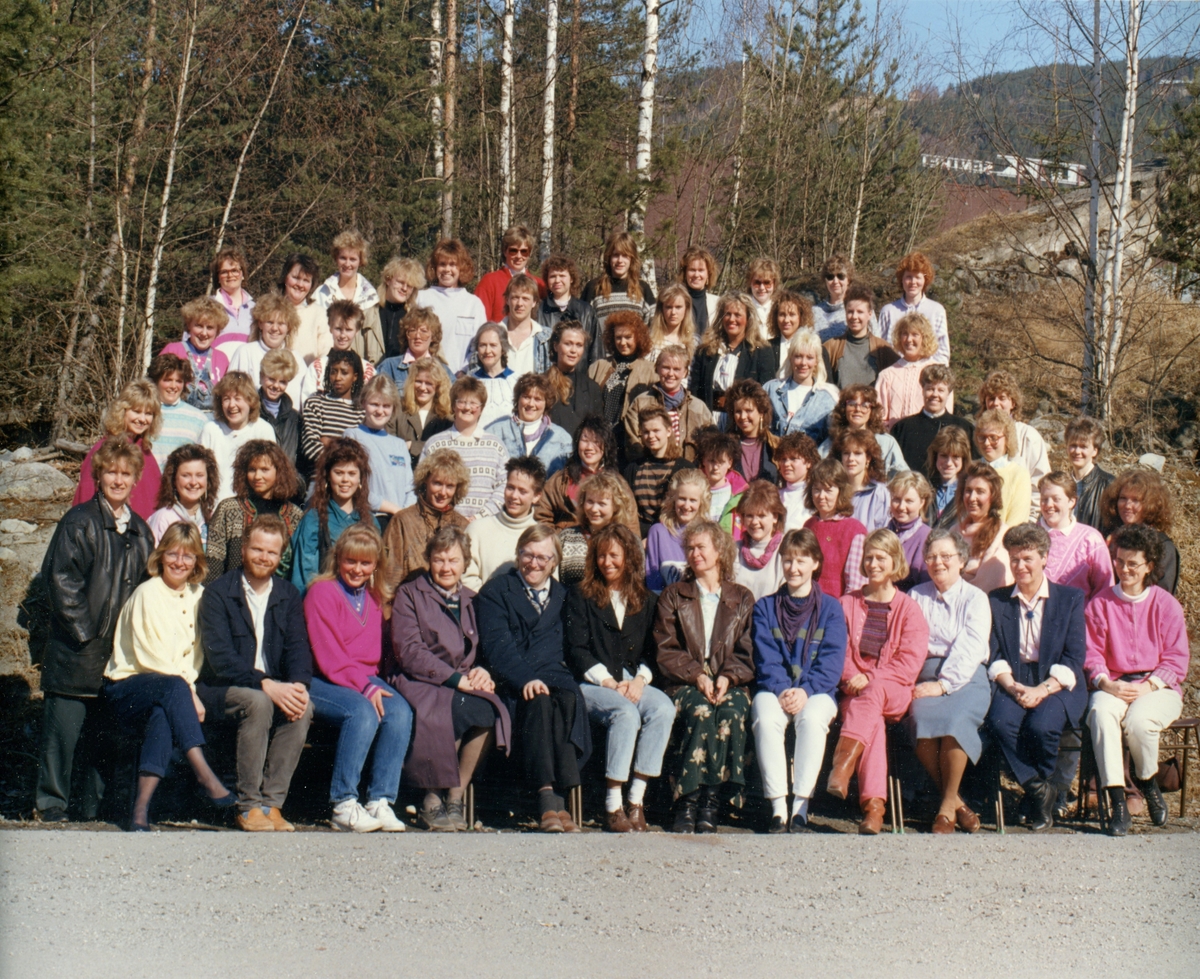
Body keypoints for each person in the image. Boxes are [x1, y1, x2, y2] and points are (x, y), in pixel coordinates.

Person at [35, 436, 155, 823]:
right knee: (63, 737)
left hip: (117, 657)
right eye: (111, 472)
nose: (118, 480)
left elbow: (143, 592)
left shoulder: (140, 531)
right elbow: (61, 581)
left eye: (126, 473)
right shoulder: (79, 522)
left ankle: (91, 812)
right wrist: (87, 635)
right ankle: (51, 807)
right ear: (98, 475)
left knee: (101, 741)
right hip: (77, 651)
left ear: (136, 478)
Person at [102, 523, 236, 830]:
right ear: (161, 556)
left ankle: (139, 812)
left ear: (197, 563)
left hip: (168, 693)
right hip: (127, 687)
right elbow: (155, 660)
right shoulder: (148, 593)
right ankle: (205, 775)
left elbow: (195, 657)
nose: (179, 562)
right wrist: (190, 696)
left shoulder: (199, 595)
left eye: (188, 556)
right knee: (172, 690)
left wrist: (185, 692)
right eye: (173, 553)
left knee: (163, 716)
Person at [197, 514, 314, 832]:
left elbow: (299, 649)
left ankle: (271, 805)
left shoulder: (287, 595)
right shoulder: (218, 592)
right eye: (258, 549)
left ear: (280, 555)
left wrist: (299, 685)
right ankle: (247, 806)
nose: (264, 557)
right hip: (222, 688)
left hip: (267, 685)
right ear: (245, 548)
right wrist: (266, 684)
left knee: (303, 707)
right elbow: (221, 659)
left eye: (272, 552)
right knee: (259, 702)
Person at [389, 526, 509, 831]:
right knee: (447, 711)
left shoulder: (472, 598)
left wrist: (483, 669)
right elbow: (410, 651)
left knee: (487, 710)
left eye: (453, 561)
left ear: (465, 563)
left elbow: (485, 647)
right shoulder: (410, 594)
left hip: (462, 681)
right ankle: (430, 798)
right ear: (429, 559)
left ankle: (455, 797)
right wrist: (455, 679)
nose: (446, 567)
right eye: (439, 560)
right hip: (421, 680)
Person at [477, 525, 591, 833]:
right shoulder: (496, 592)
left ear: (554, 562)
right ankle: (546, 799)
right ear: (517, 555)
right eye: (528, 554)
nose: (534, 563)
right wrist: (525, 677)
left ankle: (562, 798)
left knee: (567, 699)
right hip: (514, 680)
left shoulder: (564, 596)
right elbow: (498, 647)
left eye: (543, 557)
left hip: (556, 677)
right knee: (539, 701)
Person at [304, 524, 413, 832]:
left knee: (399, 712)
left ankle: (380, 800)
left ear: (375, 565)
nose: (357, 569)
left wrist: (374, 683)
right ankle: (343, 803)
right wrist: (366, 688)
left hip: (362, 678)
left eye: (365, 563)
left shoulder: (375, 597)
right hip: (323, 678)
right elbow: (329, 656)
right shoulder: (321, 592)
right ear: (338, 559)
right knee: (362, 712)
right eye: (350, 560)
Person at [566, 525, 674, 833]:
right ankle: (612, 804)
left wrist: (639, 681)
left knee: (663, 708)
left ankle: (635, 801)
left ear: (628, 557)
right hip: (593, 684)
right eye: (601, 555)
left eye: (614, 555)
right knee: (625, 714)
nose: (607, 562)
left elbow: (653, 652)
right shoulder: (581, 595)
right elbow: (577, 650)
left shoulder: (646, 599)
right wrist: (610, 684)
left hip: (632, 680)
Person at [1085, 523, 1190, 835]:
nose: (1124, 569)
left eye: (1133, 564)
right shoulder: (1100, 603)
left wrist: (1148, 686)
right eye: (1119, 561)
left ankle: (1147, 782)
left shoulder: (1165, 604)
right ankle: (1117, 800)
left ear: (1149, 567)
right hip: (1114, 683)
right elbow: (1091, 654)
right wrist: (1106, 683)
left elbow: (1176, 657)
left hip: (1156, 685)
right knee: (1100, 713)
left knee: (1140, 723)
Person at [654, 519, 756, 833]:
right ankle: (687, 800)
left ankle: (711, 802)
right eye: (690, 548)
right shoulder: (674, 595)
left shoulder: (741, 598)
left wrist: (727, 677)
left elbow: (747, 649)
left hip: (729, 681)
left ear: (719, 551)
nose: (694, 553)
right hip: (685, 681)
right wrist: (698, 675)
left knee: (730, 711)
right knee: (699, 712)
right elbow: (666, 648)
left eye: (701, 547)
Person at [826, 529, 929, 835]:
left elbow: (908, 663)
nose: (872, 563)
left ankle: (842, 769)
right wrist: (851, 678)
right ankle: (874, 809)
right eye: (868, 557)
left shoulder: (909, 608)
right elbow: (837, 650)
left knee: (874, 692)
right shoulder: (847, 603)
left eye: (880, 557)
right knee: (872, 725)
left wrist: (869, 677)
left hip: (894, 689)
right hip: (854, 693)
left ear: (895, 561)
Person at [985, 523, 1087, 832]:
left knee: (1042, 726)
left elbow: (1074, 658)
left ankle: (1037, 795)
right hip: (1014, 678)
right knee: (1001, 723)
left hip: (1058, 680)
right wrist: (1011, 685)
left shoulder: (1069, 598)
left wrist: (1041, 690)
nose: (1020, 566)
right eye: (1014, 559)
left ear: (1044, 558)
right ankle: (1040, 790)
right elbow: (994, 653)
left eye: (1027, 558)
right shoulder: (998, 599)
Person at [750, 527, 847, 832]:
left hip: (816, 689)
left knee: (813, 718)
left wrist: (805, 691)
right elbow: (765, 659)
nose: (793, 568)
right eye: (788, 561)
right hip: (775, 687)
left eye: (801, 560)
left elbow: (831, 663)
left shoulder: (831, 608)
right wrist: (782, 690)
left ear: (815, 563)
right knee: (765, 717)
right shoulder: (764, 607)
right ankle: (778, 807)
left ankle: (800, 808)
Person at [906, 529, 992, 834]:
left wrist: (944, 685)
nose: (937, 562)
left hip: (967, 676)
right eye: (931, 556)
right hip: (925, 674)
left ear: (961, 561)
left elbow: (970, 646)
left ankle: (945, 808)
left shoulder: (976, 598)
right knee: (920, 719)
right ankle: (957, 802)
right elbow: (910, 642)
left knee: (955, 721)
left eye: (946, 556)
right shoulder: (916, 596)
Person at [204, 440, 304, 583]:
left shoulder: (295, 515)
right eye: (252, 469)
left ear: (278, 471)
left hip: (281, 599)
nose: (257, 476)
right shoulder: (228, 509)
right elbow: (214, 561)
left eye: (264, 469)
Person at [291, 438, 378, 595]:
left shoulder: (371, 522)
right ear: (328, 477)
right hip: (324, 601)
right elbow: (304, 578)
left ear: (360, 479)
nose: (345, 480)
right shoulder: (313, 519)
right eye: (339, 473)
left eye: (352, 473)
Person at [380, 447, 471, 592]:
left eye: (450, 486)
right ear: (425, 481)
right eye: (437, 483)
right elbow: (388, 578)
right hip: (410, 606)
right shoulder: (402, 521)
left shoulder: (463, 525)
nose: (443, 492)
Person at [421, 376, 510, 519]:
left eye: (473, 403)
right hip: (443, 526)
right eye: (461, 402)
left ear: (481, 409)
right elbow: (422, 485)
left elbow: (504, 486)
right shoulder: (435, 444)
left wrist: (478, 518)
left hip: (484, 526)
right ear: (453, 406)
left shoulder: (496, 445)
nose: (467, 407)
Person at [74, 380, 163, 519]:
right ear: (123, 411)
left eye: (149, 413)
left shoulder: (144, 451)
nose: (142, 419)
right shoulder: (105, 450)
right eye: (136, 411)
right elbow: (86, 495)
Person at [464, 456, 546, 590]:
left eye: (522, 491)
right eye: (510, 487)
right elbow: (466, 579)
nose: (514, 496)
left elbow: (548, 586)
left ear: (536, 496)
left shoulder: (544, 537)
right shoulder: (477, 530)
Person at [345, 374, 415, 528]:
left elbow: (410, 488)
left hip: (400, 522)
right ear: (363, 403)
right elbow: (355, 486)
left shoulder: (399, 445)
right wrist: (394, 509)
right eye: (374, 404)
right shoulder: (353, 436)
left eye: (386, 406)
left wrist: (404, 513)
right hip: (369, 520)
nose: (380, 411)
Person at [978, 371, 1050, 515]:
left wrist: (1031, 520)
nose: (996, 403)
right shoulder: (978, 435)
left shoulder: (1028, 436)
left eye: (1002, 398)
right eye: (991, 398)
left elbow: (1041, 484)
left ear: (1013, 402)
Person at [535, 416, 627, 530]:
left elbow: (630, 523)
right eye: (585, 440)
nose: (589, 447)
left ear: (606, 446)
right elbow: (541, 514)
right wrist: (555, 542)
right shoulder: (561, 480)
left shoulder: (618, 482)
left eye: (596, 441)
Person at [690, 292, 776, 413]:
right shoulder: (705, 350)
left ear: (748, 319)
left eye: (737, 315)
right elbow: (695, 391)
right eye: (727, 314)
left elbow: (765, 396)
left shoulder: (762, 352)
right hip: (708, 419)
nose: (732, 319)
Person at [200, 371, 278, 504]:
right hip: (216, 508)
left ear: (250, 401)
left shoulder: (263, 430)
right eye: (226, 399)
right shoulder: (211, 430)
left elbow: (270, 477)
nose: (231, 405)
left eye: (237, 398)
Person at [1099, 468, 1180, 595]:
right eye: (1123, 498)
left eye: (1136, 500)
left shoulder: (1163, 546)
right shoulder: (1109, 538)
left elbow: (1162, 596)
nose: (1127, 505)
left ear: (1150, 505)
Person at [623, 345, 711, 462]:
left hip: (688, 474)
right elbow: (632, 441)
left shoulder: (698, 407)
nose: (670, 374)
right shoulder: (641, 403)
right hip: (651, 470)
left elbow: (710, 444)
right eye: (665, 367)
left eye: (676, 369)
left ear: (685, 373)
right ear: (657, 368)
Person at [888, 364, 974, 477]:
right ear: (922, 390)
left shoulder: (964, 427)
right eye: (930, 389)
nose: (935, 394)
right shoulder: (902, 428)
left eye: (941, 390)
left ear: (948, 393)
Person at [416, 239, 488, 373]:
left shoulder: (473, 304)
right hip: (426, 377)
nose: (447, 269)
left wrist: (464, 373)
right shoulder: (421, 298)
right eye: (442, 264)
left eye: (453, 264)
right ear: (435, 267)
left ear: (461, 268)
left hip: (461, 380)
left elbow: (478, 347)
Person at [556, 471, 640, 587]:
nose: (594, 509)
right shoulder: (566, 537)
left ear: (615, 506)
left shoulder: (629, 540)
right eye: (590, 501)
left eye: (602, 503)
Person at [1039, 471, 1113, 601]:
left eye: (1056, 499)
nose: (1049, 504)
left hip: (1077, 618)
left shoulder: (1091, 539)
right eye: (1044, 499)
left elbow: (1104, 589)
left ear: (1072, 502)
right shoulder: (1029, 535)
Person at [622, 405, 695, 536]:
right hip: (638, 538)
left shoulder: (686, 468)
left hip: (674, 536)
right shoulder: (633, 469)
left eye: (656, 430)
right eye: (646, 432)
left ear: (668, 431)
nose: (651, 436)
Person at [484, 372, 572, 477]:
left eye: (537, 399)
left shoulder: (562, 439)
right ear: (518, 399)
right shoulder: (495, 432)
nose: (531, 404)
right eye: (526, 397)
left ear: (546, 403)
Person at [803, 458, 868, 598]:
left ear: (841, 491)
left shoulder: (854, 530)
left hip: (836, 610)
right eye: (816, 489)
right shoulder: (808, 526)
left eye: (828, 490)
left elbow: (855, 586)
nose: (821, 496)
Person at [227, 294, 303, 407]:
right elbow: (229, 392)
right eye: (270, 322)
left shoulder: (297, 359)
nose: (275, 328)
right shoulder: (245, 352)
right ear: (260, 324)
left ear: (289, 328)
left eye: (281, 323)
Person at [589, 309, 658, 433]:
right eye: (618, 338)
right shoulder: (598, 366)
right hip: (601, 435)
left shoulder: (651, 370)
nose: (622, 343)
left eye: (628, 337)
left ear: (638, 338)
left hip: (632, 436)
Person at [764, 330, 839, 443]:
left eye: (809, 358)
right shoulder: (771, 389)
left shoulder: (827, 400)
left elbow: (831, 443)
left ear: (816, 362)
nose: (803, 363)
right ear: (791, 358)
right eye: (798, 356)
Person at [818, 384, 909, 477]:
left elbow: (903, 476)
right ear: (844, 408)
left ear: (872, 410)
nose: (858, 409)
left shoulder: (886, 442)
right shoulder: (831, 442)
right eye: (852, 404)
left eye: (864, 405)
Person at [298, 302, 377, 407]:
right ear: (330, 328)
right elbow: (307, 404)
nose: (343, 335)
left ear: (357, 331)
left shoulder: (367, 369)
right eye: (338, 329)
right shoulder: (317, 367)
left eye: (348, 330)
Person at [876, 252, 950, 364]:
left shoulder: (937, 311)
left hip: (926, 377)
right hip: (894, 376)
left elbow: (943, 355)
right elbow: (879, 349)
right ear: (902, 279)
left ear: (925, 279)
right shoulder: (888, 311)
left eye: (918, 277)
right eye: (908, 277)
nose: (913, 282)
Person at [951, 461, 1013, 593]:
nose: (972, 498)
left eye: (980, 491)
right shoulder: (954, 532)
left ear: (993, 496)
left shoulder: (1001, 534)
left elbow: (990, 583)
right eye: (968, 491)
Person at [299, 349, 366, 470]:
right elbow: (310, 447)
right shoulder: (316, 403)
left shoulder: (361, 412)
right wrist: (343, 454)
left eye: (344, 373)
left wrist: (329, 442)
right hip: (320, 480)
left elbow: (363, 452)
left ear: (355, 377)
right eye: (333, 372)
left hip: (350, 481)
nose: (337, 378)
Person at [822, 283, 898, 388]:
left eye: (860, 312)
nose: (854, 317)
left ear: (870, 314)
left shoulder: (883, 349)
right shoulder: (831, 347)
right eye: (850, 312)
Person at [645, 468, 710, 592]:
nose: (686, 506)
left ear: (701, 502)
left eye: (693, 500)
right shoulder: (658, 532)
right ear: (673, 499)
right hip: (665, 605)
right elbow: (652, 581)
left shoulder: (708, 534)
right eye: (682, 498)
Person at [875, 312, 943, 430]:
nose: (909, 339)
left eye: (915, 334)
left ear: (924, 338)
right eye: (904, 334)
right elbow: (878, 418)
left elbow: (944, 415)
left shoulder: (937, 373)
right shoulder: (887, 375)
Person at [161, 296, 230, 412]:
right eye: (199, 326)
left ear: (217, 331)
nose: (204, 333)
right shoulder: (173, 350)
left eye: (210, 327)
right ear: (189, 326)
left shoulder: (221, 358)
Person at [582, 231, 655, 331]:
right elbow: (582, 327)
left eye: (625, 255)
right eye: (616, 255)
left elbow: (653, 328)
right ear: (609, 257)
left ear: (632, 258)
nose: (620, 260)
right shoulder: (593, 287)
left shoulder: (643, 288)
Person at [147, 443, 219, 545]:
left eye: (199, 475)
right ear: (174, 479)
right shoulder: (163, 518)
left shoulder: (214, 518)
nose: (193, 482)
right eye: (186, 475)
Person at [391, 355, 454, 467]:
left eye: (429, 383)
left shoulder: (446, 416)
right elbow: (390, 451)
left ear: (438, 386)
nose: (422, 387)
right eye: (418, 381)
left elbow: (447, 450)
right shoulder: (397, 409)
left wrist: (412, 446)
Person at [475, 225, 547, 322]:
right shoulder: (489, 282)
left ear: (529, 253)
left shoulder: (539, 284)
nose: (518, 256)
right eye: (513, 251)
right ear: (505, 251)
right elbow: (478, 321)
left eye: (524, 252)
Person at [377, 306, 455, 396]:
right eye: (412, 331)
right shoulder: (389, 366)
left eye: (424, 331)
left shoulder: (443, 370)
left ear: (433, 337)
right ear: (406, 335)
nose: (417, 336)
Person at [974, 409, 1032, 528]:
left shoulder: (1019, 474)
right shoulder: (970, 469)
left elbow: (1016, 521)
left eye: (993, 438)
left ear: (1007, 439)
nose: (986, 443)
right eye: (982, 437)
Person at [537, 254, 601, 362]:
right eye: (552, 276)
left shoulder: (586, 311)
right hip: (548, 375)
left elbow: (596, 351)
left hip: (580, 375)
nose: (557, 280)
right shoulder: (539, 310)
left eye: (562, 276)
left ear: (571, 279)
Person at [148, 353, 207, 467]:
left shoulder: (198, 418)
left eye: (179, 381)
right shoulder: (145, 413)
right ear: (156, 381)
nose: (173, 386)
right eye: (167, 380)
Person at [364, 256, 426, 363]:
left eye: (410, 286)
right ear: (388, 280)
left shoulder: (419, 319)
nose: (404, 288)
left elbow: (437, 358)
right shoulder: (366, 315)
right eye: (400, 282)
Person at [545, 320, 603, 434]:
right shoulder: (542, 383)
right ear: (556, 346)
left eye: (579, 345)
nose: (573, 350)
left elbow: (598, 430)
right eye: (568, 344)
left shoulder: (592, 388)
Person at [733, 480, 786, 600]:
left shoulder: (785, 550)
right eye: (749, 516)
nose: (755, 522)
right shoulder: (734, 550)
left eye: (761, 516)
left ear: (775, 517)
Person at [276, 252, 330, 367]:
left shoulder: (319, 314)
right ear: (285, 277)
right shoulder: (270, 309)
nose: (300, 284)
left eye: (306, 280)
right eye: (295, 278)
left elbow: (325, 355)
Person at [497, 273, 553, 382]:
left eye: (525, 298)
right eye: (515, 297)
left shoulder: (546, 338)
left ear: (534, 302)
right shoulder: (492, 335)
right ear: (507, 300)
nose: (520, 303)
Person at [812, 253, 878, 341]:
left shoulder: (862, 309)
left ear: (849, 279)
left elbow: (876, 342)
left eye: (840, 276)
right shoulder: (813, 312)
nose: (835, 281)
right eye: (830, 277)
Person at [726, 378, 780, 483]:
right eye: (738, 411)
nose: (742, 417)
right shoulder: (726, 446)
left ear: (761, 412)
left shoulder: (775, 445)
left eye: (748, 411)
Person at [835, 429, 891, 531]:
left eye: (857, 453)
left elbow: (884, 534)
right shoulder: (834, 490)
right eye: (846, 453)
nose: (851, 458)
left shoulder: (879, 492)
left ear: (868, 458)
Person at [1065, 416, 1113, 530]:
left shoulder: (1108, 485)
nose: (1077, 451)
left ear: (1095, 451)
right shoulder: (1061, 484)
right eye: (1073, 445)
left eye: (1083, 447)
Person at [887, 470, 933, 591]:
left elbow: (926, 585)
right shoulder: (884, 534)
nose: (901, 507)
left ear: (922, 502)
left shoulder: (927, 537)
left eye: (909, 501)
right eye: (896, 499)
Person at [314, 229, 379, 311]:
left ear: (360, 261)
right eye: (343, 258)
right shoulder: (322, 293)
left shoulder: (370, 296)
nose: (347, 264)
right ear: (336, 258)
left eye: (352, 259)